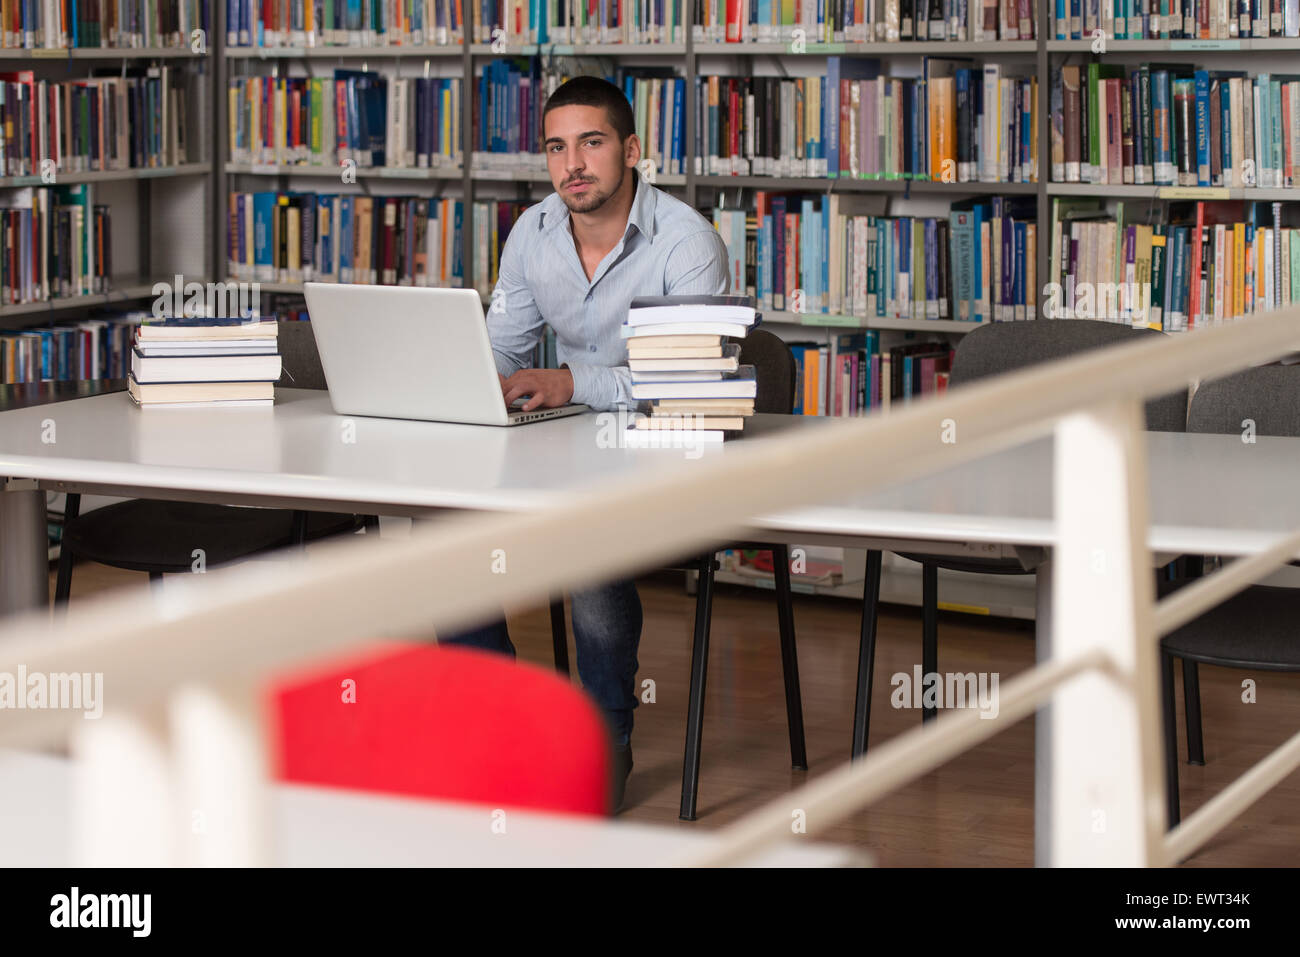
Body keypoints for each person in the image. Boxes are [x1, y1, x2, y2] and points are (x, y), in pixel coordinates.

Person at [439, 75, 730, 811]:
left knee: (588, 549)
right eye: (557, 147)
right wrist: (467, 383)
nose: (574, 164)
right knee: (445, 525)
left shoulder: (688, 244)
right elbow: (503, 353)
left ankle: (606, 738)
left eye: (592, 143)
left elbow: (688, 386)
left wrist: (574, 382)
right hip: (569, 451)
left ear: (631, 150)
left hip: (667, 453)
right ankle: (496, 724)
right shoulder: (531, 234)